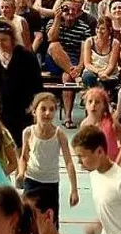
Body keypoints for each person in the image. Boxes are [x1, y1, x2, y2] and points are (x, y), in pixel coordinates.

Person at [17, 92, 79, 223]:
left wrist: (74, 189)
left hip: (51, 183)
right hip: (32, 180)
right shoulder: (28, 132)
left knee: (51, 222)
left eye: (51, 109)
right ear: (34, 111)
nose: (47, 113)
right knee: (27, 220)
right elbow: (23, 157)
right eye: (43, 109)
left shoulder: (59, 134)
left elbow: (68, 162)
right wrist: (21, 173)